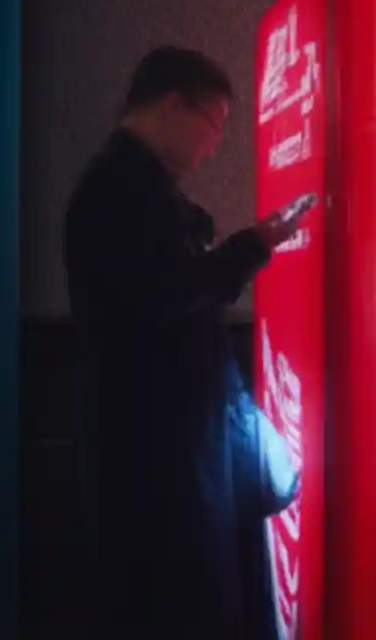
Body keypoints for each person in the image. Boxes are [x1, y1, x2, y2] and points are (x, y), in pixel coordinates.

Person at [65, 46, 310, 639]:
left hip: (160, 446)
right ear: (174, 103)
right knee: (179, 604)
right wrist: (254, 243)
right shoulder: (119, 189)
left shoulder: (130, 183)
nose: (214, 143)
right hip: (157, 455)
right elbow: (162, 293)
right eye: (214, 123)